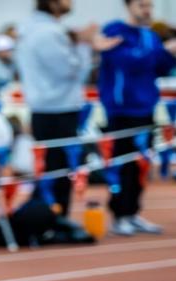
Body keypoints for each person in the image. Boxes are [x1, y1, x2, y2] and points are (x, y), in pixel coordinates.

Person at [98, 0, 176, 236]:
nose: (147, 10)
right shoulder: (114, 30)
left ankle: (133, 212)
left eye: (150, 5)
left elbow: (159, 68)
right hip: (121, 109)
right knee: (123, 165)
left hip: (146, 107)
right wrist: (162, 51)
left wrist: (171, 55)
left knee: (142, 164)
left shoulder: (151, 36)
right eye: (142, 5)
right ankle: (119, 214)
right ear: (129, 6)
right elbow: (127, 61)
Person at [19, 0, 119, 218]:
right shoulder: (49, 33)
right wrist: (85, 44)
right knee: (59, 169)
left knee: (54, 168)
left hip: (49, 107)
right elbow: (70, 71)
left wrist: (77, 40)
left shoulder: (38, 29)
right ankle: (54, 218)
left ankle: (50, 217)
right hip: (56, 109)